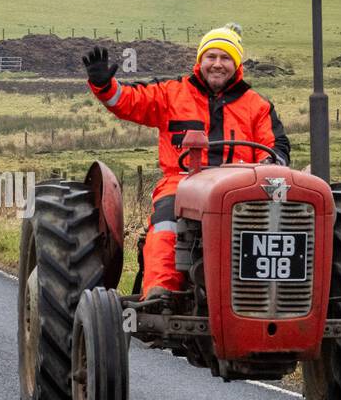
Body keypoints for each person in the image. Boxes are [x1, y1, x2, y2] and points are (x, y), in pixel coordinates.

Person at [83, 24, 290, 297]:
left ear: (237, 64)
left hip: (240, 186)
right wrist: (104, 86)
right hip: (181, 184)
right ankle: (161, 293)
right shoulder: (172, 93)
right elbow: (129, 101)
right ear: (200, 61)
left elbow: (275, 148)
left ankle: (264, 297)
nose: (217, 64)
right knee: (166, 226)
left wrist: (267, 167)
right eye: (211, 57)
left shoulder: (257, 106)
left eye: (225, 58)